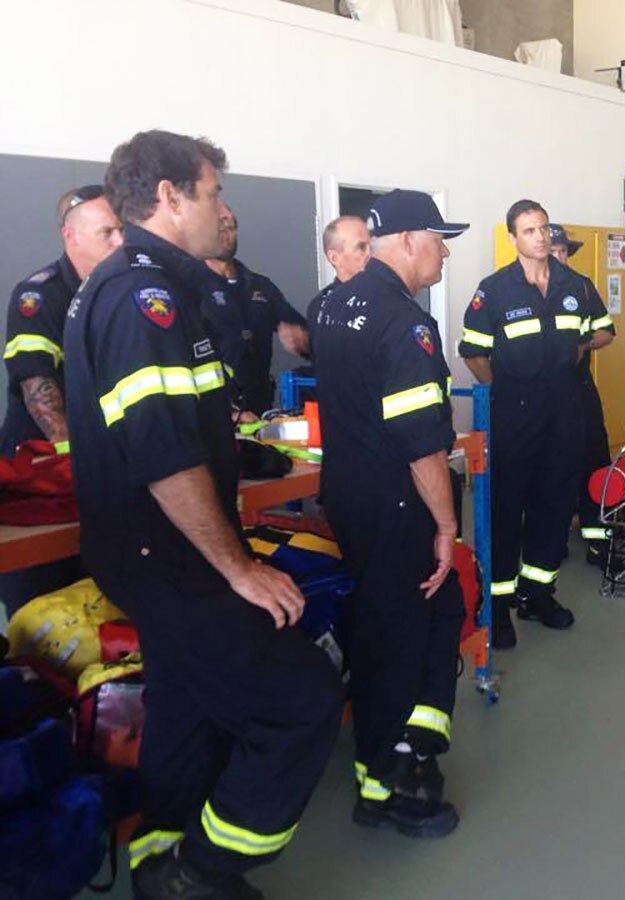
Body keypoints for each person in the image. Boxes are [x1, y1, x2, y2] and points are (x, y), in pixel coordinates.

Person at [63, 130, 342, 899]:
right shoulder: (142, 297)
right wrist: (238, 567)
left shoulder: (149, 287)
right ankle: (203, 869)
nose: (224, 208)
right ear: (170, 195)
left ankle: (161, 859)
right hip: (170, 557)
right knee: (303, 700)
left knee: (185, 706)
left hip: (160, 552)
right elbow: (164, 455)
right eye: (213, 191)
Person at [310, 189, 467, 838]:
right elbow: (421, 443)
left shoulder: (332, 306)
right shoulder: (405, 324)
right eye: (437, 239)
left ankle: (414, 746)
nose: (444, 253)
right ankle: (387, 783)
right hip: (399, 503)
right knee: (399, 636)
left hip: (350, 494)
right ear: (406, 240)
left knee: (428, 612)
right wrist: (447, 525)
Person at [459, 200, 590, 648]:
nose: (539, 237)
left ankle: (538, 595)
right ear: (513, 237)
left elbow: (587, 338)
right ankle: (498, 606)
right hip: (514, 416)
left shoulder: (574, 285)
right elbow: (473, 353)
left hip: (563, 414)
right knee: (506, 509)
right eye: (529, 230)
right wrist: (505, 389)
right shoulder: (495, 290)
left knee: (554, 506)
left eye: (543, 228)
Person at [0, 185, 123, 617]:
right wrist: (70, 455)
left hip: (101, 465)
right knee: (39, 598)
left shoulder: (118, 292)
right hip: (44, 467)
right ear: (71, 236)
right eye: (107, 233)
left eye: (122, 231)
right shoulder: (40, 295)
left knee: (97, 598)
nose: (120, 242)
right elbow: (36, 381)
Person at [546, 223, 616, 566]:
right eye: (553, 251)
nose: (559, 257)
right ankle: (551, 539)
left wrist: (584, 344)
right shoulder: (526, 290)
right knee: (549, 468)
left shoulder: (582, 286)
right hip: (543, 395)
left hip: (580, 389)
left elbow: (606, 331)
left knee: (594, 462)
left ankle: (597, 539)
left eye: (563, 251)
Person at [203, 211, 308, 417]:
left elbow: (302, 332)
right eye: (219, 228)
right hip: (216, 413)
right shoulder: (192, 287)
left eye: (231, 227)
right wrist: (229, 412)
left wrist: (303, 340)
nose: (226, 233)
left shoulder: (260, 287)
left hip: (260, 411)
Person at [306, 215, 371, 321]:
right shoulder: (324, 307)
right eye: (361, 247)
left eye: (372, 245)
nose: (371, 253)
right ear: (335, 258)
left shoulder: (389, 293)